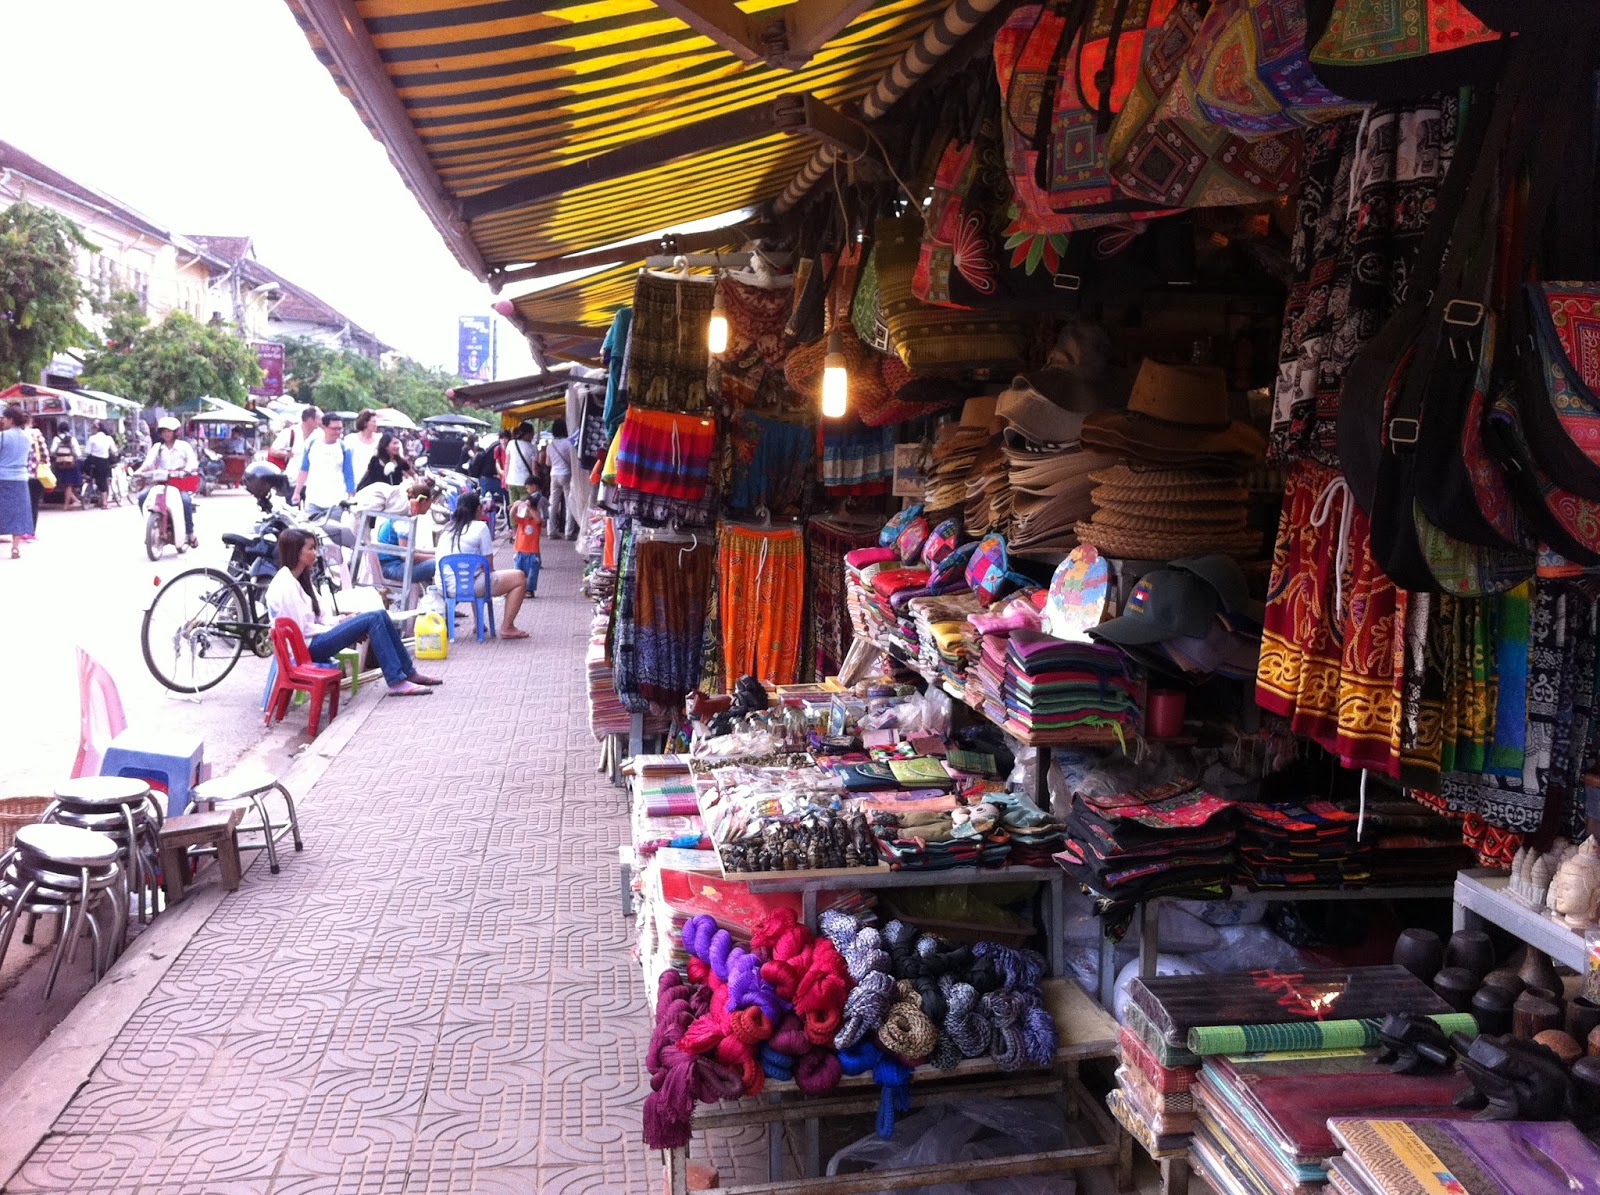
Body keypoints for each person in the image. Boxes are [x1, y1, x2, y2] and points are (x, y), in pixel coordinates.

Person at [266, 526, 440, 698]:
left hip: (315, 639)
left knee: (379, 614)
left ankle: (408, 673)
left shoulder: (301, 579)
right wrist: (347, 629)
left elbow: (320, 619)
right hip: (306, 649)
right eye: (310, 549)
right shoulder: (286, 586)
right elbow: (302, 631)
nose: (316, 553)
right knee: (373, 618)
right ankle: (396, 681)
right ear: (296, 552)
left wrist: (343, 622)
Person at [441, 492, 529, 639]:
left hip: (447, 587)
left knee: (474, 576)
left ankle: (479, 623)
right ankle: (507, 627)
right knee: (519, 577)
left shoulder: (448, 529)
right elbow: (488, 565)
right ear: (478, 509)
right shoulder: (481, 527)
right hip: (471, 585)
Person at [135, 416, 199, 546]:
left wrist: (186, 470)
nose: (166, 434)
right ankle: (152, 527)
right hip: (162, 482)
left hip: (179, 482)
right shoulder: (158, 447)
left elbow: (192, 462)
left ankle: (190, 533)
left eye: (169, 431)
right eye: (164, 431)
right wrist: (139, 471)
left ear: (175, 432)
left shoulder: (184, 446)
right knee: (142, 498)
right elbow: (148, 463)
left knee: (185, 501)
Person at [292, 411, 355, 518]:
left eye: (340, 428)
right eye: (334, 429)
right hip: (313, 500)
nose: (338, 432)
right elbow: (304, 470)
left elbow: (349, 474)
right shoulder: (312, 445)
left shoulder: (344, 448)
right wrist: (297, 492)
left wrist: (351, 496)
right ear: (324, 427)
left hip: (336, 501)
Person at [376, 480, 438, 588]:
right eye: (429, 504)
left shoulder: (404, 515)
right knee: (437, 564)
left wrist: (437, 552)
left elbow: (411, 550)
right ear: (423, 502)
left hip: (394, 565)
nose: (429, 508)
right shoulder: (403, 520)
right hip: (391, 567)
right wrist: (437, 557)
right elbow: (406, 556)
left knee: (438, 559)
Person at [0, 405, 37, 558]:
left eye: (4, 418)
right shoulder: (28, 437)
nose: (3, 421)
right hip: (21, 478)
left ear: (10, 419)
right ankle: (15, 548)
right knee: (19, 513)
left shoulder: (2, 436)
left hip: (2, 477)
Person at [546, 417, 576, 540]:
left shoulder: (550, 445)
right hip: (566, 474)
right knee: (569, 503)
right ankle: (569, 532)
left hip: (554, 475)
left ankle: (550, 531)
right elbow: (572, 461)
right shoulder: (568, 443)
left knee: (553, 503)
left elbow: (548, 463)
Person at [510, 493, 544, 599]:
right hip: (520, 551)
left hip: (533, 553)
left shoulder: (536, 521)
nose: (527, 513)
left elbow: (538, 520)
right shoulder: (522, 521)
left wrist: (529, 507)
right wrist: (516, 506)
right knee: (517, 572)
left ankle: (529, 590)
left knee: (532, 574)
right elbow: (512, 515)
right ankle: (517, 589)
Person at [270, 405, 320, 470]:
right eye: (319, 419)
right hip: (291, 475)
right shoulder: (290, 432)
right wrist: (286, 454)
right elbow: (273, 451)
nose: (321, 422)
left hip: (313, 475)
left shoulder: (320, 434)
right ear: (310, 420)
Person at [504, 421, 538, 508]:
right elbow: (534, 468)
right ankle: (523, 522)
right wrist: (536, 483)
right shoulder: (533, 447)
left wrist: (505, 478)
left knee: (513, 507)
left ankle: (513, 522)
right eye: (532, 434)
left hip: (511, 481)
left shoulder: (511, 444)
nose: (533, 436)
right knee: (524, 508)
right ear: (527, 434)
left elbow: (507, 463)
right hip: (526, 483)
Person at [50, 423, 84, 510]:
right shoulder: (72, 439)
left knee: (65, 484)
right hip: (71, 463)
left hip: (60, 464)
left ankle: (67, 504)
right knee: (69, 484)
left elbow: (52, 450)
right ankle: (72, 502)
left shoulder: (56, 439)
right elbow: (78, 453)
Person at [85, 421, 116, 509]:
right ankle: (104, 502)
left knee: (95, 478)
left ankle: (99, 499)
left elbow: (87, 452)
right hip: (104, 462)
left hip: (93, 461)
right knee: (104, 480)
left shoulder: (92, 438)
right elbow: (114, 450)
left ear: (97, 428)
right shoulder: (108, 438)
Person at [346, 409, 381, 485]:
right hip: (356, 482)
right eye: (374, 421)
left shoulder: (380, 439)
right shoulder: (350, 439)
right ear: (365, 423)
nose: (376, 424)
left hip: (375, 482)